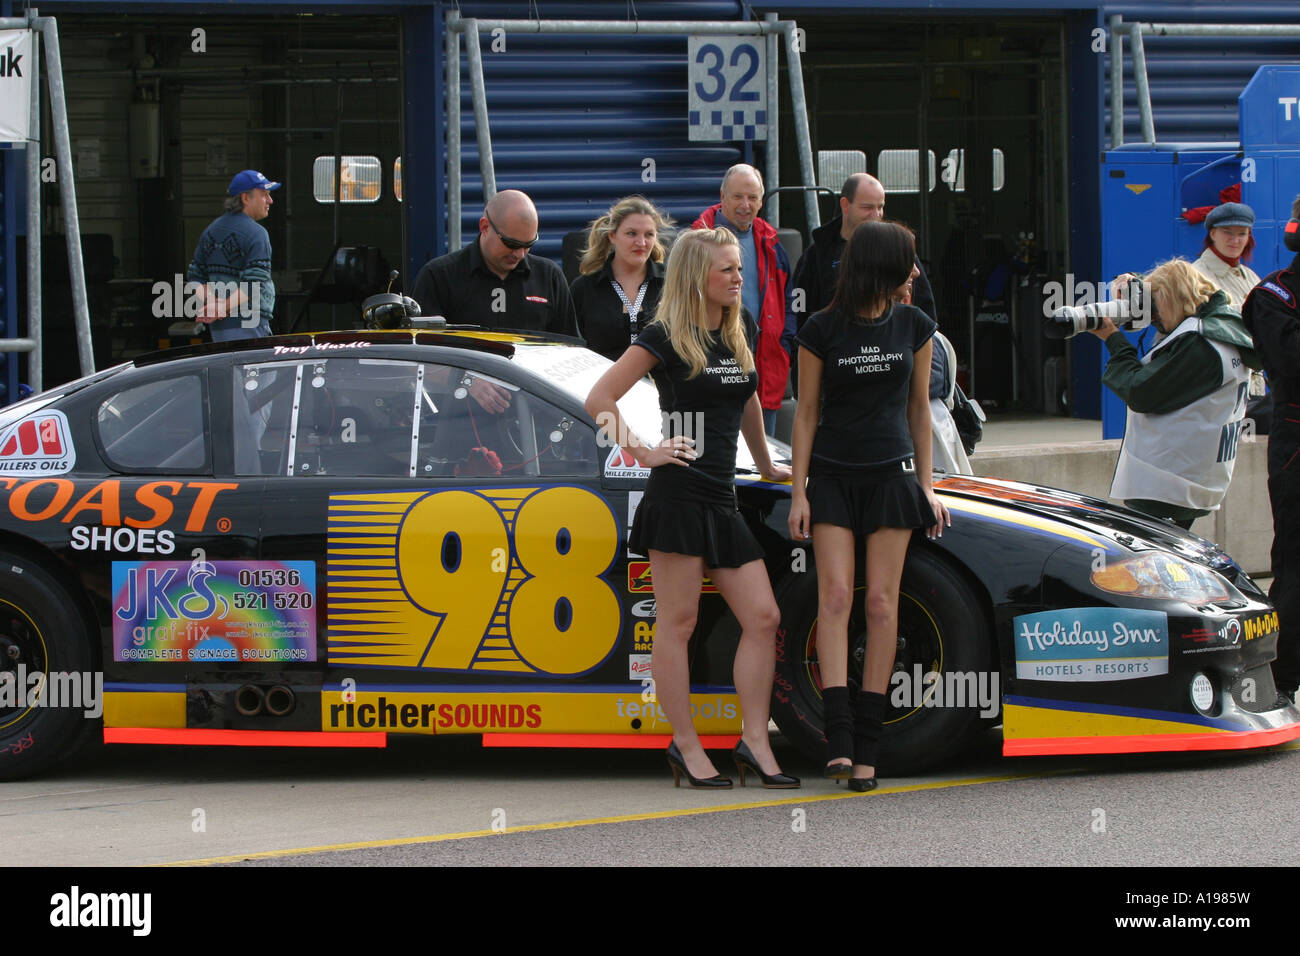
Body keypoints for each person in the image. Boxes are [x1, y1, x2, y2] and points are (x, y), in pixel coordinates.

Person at [585, 227, 797, 790]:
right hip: (677, 496)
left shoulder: (738, 327)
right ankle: (685, 745)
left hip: (723, 497)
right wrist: (645, 452)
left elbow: (748, 396)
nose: (737, 278)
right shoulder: (665, 335)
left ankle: (754, 741)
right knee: (678, 624)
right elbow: (598, 400)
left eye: (738, 268)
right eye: (727, 269)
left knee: (764, 617)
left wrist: (768, 462)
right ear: (696, 276)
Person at [788, 220, 949, 792]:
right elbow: (805, 413)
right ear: (880, 266)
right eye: (907, 261)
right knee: (834, 597)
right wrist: (799, 490)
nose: (914, 270)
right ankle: (838, 739)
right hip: (832, 476)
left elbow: (920, 412)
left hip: (893, 478)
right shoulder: (821, 328)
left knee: (881, 605)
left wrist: (928, 486)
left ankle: (869, 751)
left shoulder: (915, 323)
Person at [1094, 258, 1258, 529]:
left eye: (1157, 305)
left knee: (1151, 566)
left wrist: (1113, 338)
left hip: (1166, 481)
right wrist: (1134, 282)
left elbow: (1139, 391)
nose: (1154, 315)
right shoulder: (1223, 325)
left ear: (1173, 299)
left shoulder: (1199, 344)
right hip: (1196, 476)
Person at [1242, 194, 1300, 703]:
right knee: (1297, 564)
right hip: (1296, 449)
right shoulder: (1273, 296)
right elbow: (1292, 360)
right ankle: (1282, 678)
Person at [692, 164, 796, 435]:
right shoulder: (695, 242)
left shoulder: (772, 243)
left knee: (763, 459)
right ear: (722, 196)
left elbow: (790, 302)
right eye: (738, 196)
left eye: (752, 197)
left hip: (766, 367)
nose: (745, 205)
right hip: (712, 367)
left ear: (762, 201)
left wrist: (784, 343)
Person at [410, 189, 577, 337]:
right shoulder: (439, 277)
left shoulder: (549, 277)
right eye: (511, 244)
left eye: (528, 245)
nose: (519, 254)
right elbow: (425, 355)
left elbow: (571, 349)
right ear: (484, 227)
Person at [570, 196, 672, 362]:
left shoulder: (671, 282)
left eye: (649, 234)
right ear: (612, 236)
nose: (641, 242)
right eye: (631, 233)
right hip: (601, 384)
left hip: (659, 386)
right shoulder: (584, 288)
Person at [187, 169, 279, 341]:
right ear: (245, 198)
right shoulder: (257, 233)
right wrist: (222, 306)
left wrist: (215, 304)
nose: (270, 200)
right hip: (250, 324)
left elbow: (195, 276)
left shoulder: (211, 231)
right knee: (253, 368)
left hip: (219, 327)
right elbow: (254, 283)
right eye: (264, 194)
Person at [1193, 202, 1261, 311]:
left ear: (1249, 236)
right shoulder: (1196, 277)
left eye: (1242, 234)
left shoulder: (1251, 276)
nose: (1235, 240)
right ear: (1213, 234)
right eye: (1227, 232)